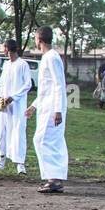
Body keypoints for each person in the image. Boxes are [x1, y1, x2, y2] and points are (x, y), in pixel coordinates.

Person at [28, 26, 68, 194]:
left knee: (42, 140)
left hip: (53, 108)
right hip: (46, 106)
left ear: (40, 40)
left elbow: (59, 84)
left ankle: (54, 179)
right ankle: (54, 178)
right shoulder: (47, 57)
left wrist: (58, 110)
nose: (35, 42)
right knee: (50, 141)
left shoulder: (51, 58)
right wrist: (33, 105)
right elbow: (46, 88)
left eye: (35, 38)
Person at [0, 38, 32, 175]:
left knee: (18, 131)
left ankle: (20, 163)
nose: (3, 51)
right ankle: (2, 157)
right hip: (4, 105)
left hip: (17, 105)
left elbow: (27, 85)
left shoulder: (23, 64)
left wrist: (14, 97)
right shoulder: (6, 65)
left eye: (4, 48)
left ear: (8, 48)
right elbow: (1, 83)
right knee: (2, 131)